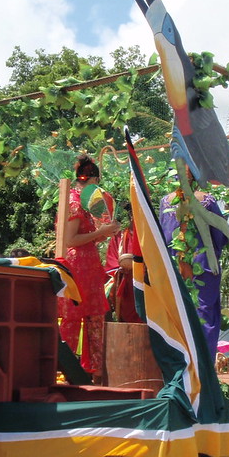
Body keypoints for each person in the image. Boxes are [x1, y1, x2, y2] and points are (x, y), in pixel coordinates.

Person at [56, 154, 120, 381]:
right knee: (73, 318)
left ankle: (94, 372)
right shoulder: (74, 202)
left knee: (95, 318)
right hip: (76, 266)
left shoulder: (84, 202)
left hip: (89, 265)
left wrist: (105, 232)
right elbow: (70, 240)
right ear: (92, 180)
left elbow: (89, 237)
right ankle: (65, 370)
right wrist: (102, 232)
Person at [159, 180, 228, 360]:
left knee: (177, 316)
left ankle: (180, 368)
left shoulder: (165, 202)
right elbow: (220, 234)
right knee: (204, 314)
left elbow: (163, 236)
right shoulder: (207, 201)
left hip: (173, 268)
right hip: (204, 265)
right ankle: (203, 370)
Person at [105, 203, 143, 324]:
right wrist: (121, 269)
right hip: (125, 284)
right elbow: (111, 265)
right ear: (131, 215)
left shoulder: (149, 238)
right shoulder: (119, 237)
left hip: (145, 285)